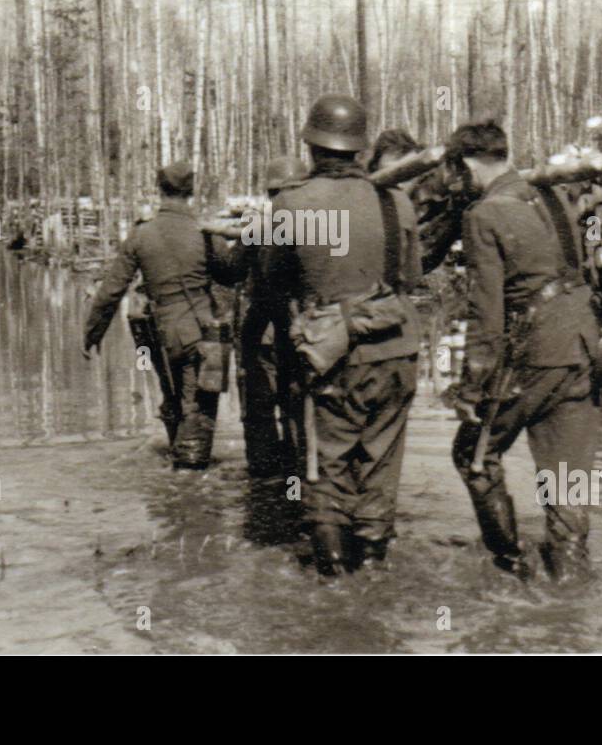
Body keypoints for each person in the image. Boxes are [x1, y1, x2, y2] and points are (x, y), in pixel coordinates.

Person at [261, 94, 422, 576]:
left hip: (331, 355)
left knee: (326, 469)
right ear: (358, 149)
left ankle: (334, 589)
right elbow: (411, 279)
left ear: (312, 148)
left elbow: (271, 284)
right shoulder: (397, 203)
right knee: (380, 467)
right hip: (396, 350)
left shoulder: (291, 204)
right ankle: (372, 570)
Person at [443, 121, 600, 583]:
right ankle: (570, 582)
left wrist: (472, 389)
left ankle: (511, 564)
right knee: (566, 478)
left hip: (532, 351)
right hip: (582, 346)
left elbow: (486, 313)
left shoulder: (483, 215)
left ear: (468, 164)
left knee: (473, 454)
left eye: (459, 170)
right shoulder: (554, 198)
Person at [82, 161, 243, 469]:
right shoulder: (206, 232)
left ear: (160, 190)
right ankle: (189, 487)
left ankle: (176, 479)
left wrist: (92, 334)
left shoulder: (141, 235)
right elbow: (231, 275)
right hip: (204, 333)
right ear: (191, 191)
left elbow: (111, 291)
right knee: (199, 410)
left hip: (162, 335)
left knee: (174, 401)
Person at [231, 156, 306, 479]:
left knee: (260, 411)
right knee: (298, 407)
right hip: (302, 337)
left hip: (265, 336)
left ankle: (266, 480)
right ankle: (296, 472)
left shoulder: (261, 228)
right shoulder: (317, 228)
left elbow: (231, 270)